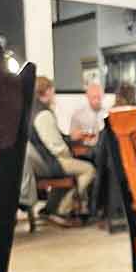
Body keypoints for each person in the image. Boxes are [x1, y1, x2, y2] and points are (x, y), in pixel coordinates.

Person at [31, 76, 96, 227]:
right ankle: (62, 210)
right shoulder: (43, 114)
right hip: (49, 162)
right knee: (88, 169)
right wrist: (70, 154)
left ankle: (50, 208)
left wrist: (70, 138)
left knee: (72, 168)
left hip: (42, 160)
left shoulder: (32, 111)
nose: (54, 96)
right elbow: (56, 147)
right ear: (46, 92)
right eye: (52, 91)